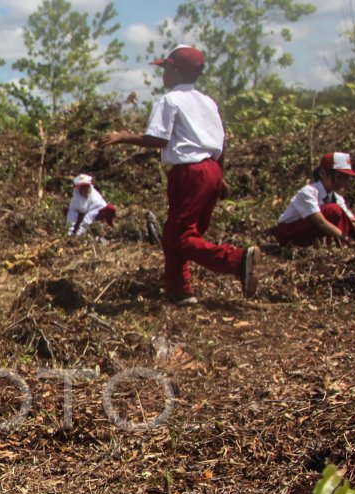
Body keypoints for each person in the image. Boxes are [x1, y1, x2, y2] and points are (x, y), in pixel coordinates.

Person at [99, 45, 259, 306]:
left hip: (189, 173)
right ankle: (180, 291)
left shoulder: (170, 100)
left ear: (175, 71)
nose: (162, 75)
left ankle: (237, 260)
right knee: (178, 233)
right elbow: (221, 142)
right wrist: (220, 175)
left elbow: (158, 138)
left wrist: (122, 137)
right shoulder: (208, 102)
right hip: (212, 170)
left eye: (165, 69)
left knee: (181, 236)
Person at [274, 152, 355, 249]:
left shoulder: (336, 197)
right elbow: (321, 222)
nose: (342, 182)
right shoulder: (308, 192)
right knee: (332, 210)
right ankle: (343, 247)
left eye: (345, 179)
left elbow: (354, 222)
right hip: (290, 233)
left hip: (312, 232)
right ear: (323, 173)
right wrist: (347, 239)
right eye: (339, 177)